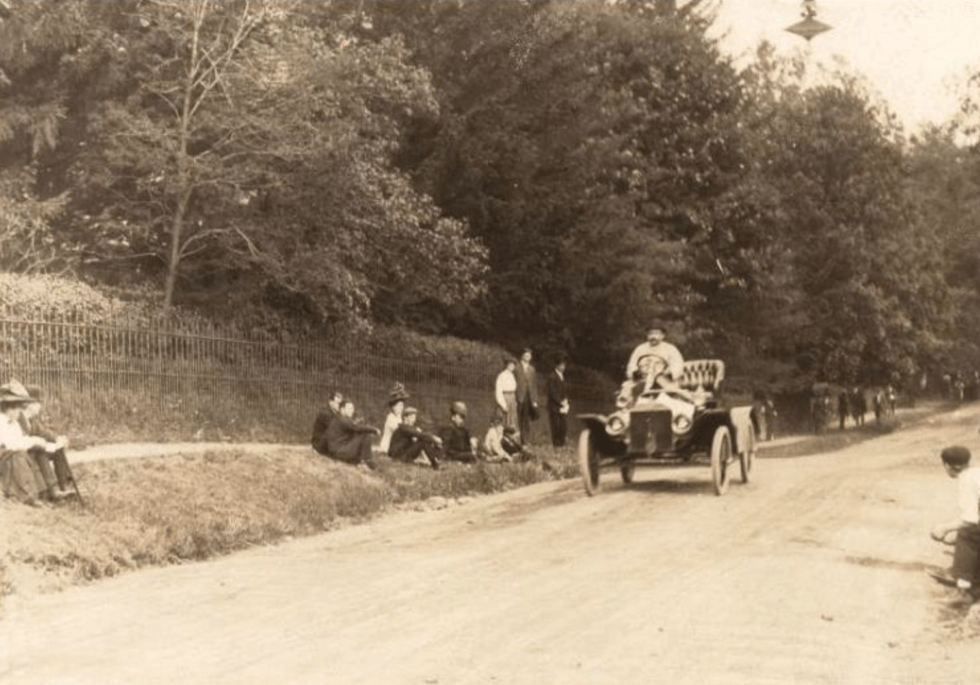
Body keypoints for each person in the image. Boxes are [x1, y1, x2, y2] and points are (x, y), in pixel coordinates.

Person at [930, 445, 980, 605]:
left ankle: (963, 591)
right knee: (967, 533)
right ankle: (972, 581)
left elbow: (970, 520)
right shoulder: (976, 473)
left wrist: (944, 529)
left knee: (967, 535)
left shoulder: (966, 480)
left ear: (948, 466)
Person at [0, 382, 59, 505]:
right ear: (9, 409)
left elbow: (20, 440)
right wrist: (34, 441)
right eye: (17, 409)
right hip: (4, 455)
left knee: (33, 452)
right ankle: (28, 496)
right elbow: (12, 444)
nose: (20, 412)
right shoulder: (2, 422)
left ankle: (45, 491)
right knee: (19, 455)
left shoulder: (14, 423)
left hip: (10, 453)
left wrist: (38, 442)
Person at [21, 384, 77, 501]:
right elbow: (21, 442)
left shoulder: (32, 419)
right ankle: (53, 490)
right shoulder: (19, 419)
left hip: (32, 451)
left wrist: (57, 438)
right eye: (39, 403)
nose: (40, 407)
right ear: (31, 404)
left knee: (58, 450)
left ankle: (64, 485)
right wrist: (44, 445)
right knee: (41, 453)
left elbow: (44, 432)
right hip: (22, 455)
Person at [322, 399, 380, 470]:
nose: (352, 410)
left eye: (352, 408)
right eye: (349, 408)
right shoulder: (343, 419)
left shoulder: (339, 418)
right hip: (339, 451)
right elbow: (356, 428)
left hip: (337, 449)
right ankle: (365, 462)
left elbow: (353, 429)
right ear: (342, 409)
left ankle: (365, 460)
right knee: (366, 435)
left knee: (362, 434)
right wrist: (374, 430)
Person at [514, 348, 539, 445]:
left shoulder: (532, 369)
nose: (527, 357)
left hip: (529, 398)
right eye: (525, 355)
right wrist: (515, 398)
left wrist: (535, 400)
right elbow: (513, 383)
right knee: (518, 419)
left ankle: (526, 440)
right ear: (522, 356)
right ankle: (517, 440)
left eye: (529, 356)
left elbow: (534, 385)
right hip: (519, 397)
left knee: (526, 419)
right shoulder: (517, 368)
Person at [379, 382, 410, 455]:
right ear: (393, 407)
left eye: (402, 406)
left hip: (396, 443)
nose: (401, 408)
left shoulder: (399, 417)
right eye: (399, 406)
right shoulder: (390, 417)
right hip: (388, 445)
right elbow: (399, 430)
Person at [311, 390, 344, 456]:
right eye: (338, 403)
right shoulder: (325, 413)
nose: (340, 406)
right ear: (331, 402)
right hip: (320, 443)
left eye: (341, 404)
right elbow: (336, 427)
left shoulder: (335, 412)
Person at [546, 357, 569, 448]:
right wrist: (560, 401)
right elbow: (552, 392)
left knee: (563, 425)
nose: (563, 367)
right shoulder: (552, 376)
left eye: (564, 365)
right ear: (556, 366)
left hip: (563, 405)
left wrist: (566, 400)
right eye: (561, 365)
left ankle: (562, 443)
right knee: (555, 425)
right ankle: (556, 444)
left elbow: (565, 391)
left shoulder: (562, 376)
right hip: (554, 405)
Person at [494, 356, 519, 433]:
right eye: (510, 365)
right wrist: (503, 404)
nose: (512, 367)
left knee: (512, 419)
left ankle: (511, 437)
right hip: (505, 398)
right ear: (506, 365)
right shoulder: (502, 375)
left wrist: (514, 401)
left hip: (512, 398)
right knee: (504, 419)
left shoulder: (512, 375)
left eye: (513, 365)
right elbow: (498, 391)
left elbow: (514, 389)